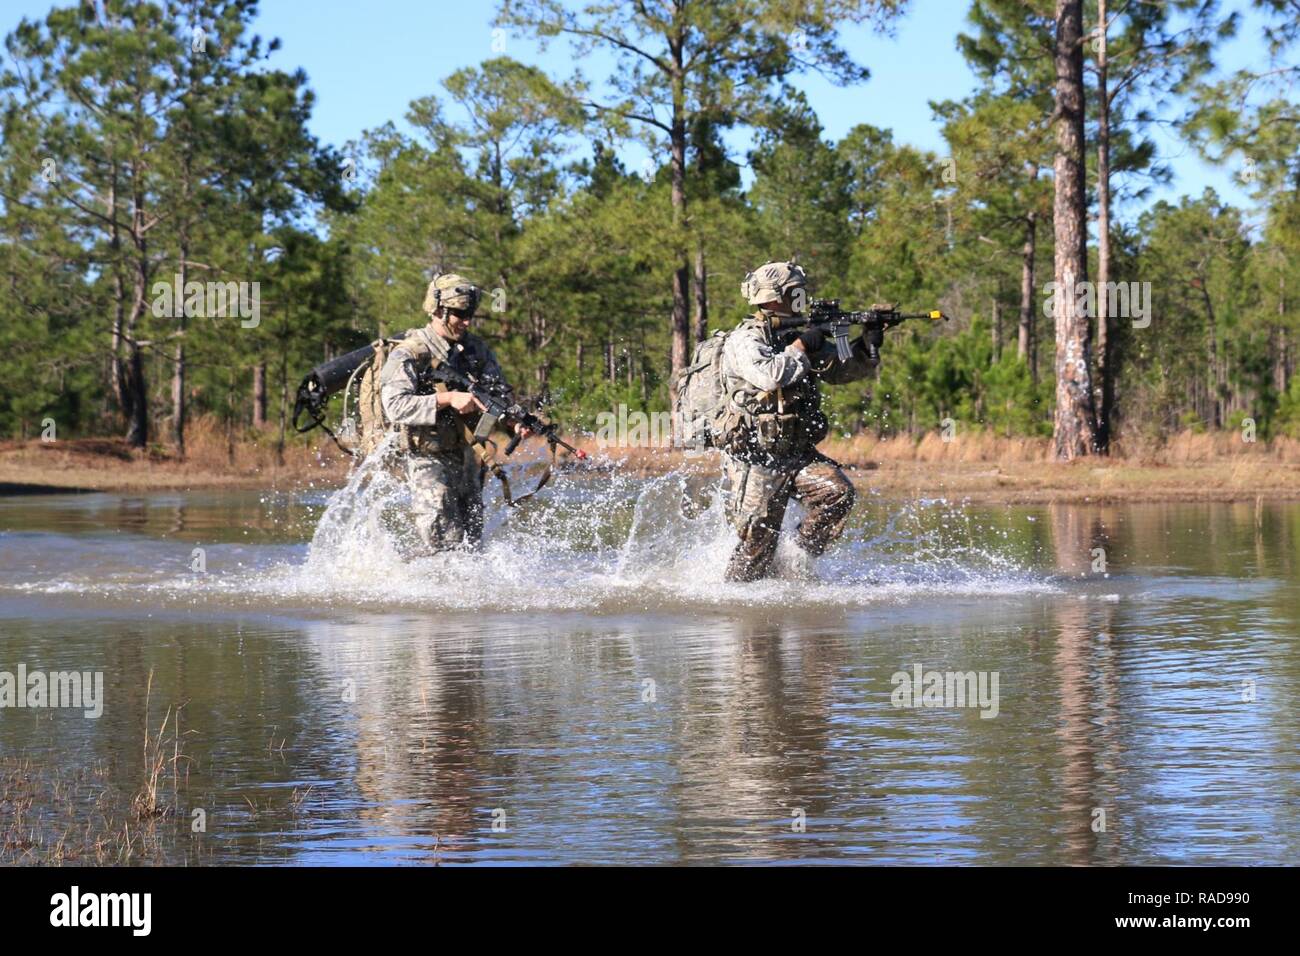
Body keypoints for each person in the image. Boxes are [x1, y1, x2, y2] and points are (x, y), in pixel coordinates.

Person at [718, 260, 880, 581]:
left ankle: (795, 557)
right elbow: (770, 376)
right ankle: (734, 606)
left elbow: (841, 371)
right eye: (796, 292)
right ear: (777, 296)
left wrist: (867, 344)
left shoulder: (795, 334)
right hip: (756, 460)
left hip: (797, 453)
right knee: (757, 550)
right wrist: (805, 343)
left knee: (837, 495)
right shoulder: (745, 340)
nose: (802, 297)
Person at [379, 273, 528, 554]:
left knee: (471, 546)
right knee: (442, 544)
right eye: (460, 313)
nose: (467, 321)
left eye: (470, 313)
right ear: (437, 310)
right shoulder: (410, 353)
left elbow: (498, 397)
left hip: (468, 456)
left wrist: (513, 422)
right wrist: (447, 399)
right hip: (427, 457)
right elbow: (395, 406)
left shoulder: (476, 350)